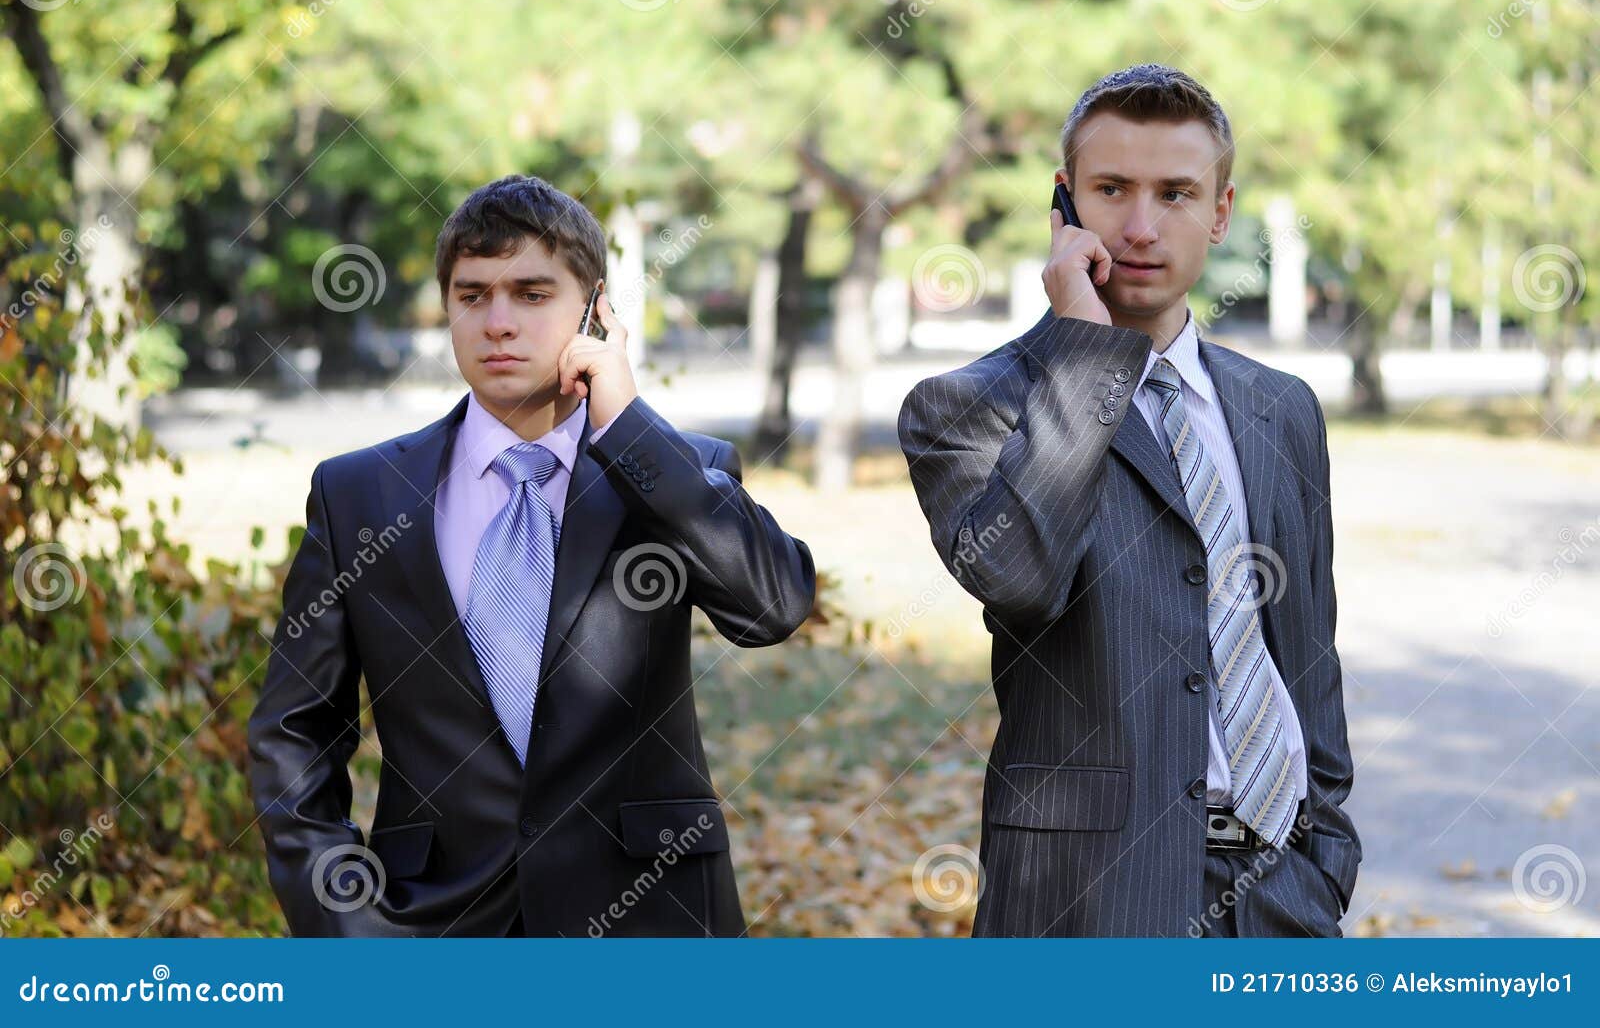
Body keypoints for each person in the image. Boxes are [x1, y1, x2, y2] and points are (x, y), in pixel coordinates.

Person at [248, 174, 817, 936]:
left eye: (532, 292)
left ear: (596, 312)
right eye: (472, 295)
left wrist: (629, 430)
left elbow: (772, 605)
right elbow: (294, 735)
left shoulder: (671, 470)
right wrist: (347, 924)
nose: (499, 322)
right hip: (437, 930)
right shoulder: (360, 495)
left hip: (653, 924)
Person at [898, 64, 1359, 937]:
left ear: (1221, 213)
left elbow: (1306, 654)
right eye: (1112, 190)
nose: (1143, 227)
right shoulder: (967, 406)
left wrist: (1325, 852)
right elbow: (1021, 577)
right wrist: (1082, 349)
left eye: (1177, 194)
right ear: (1065, 204)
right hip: (1089, 903)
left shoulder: (1281, 409)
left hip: (1282, 895)